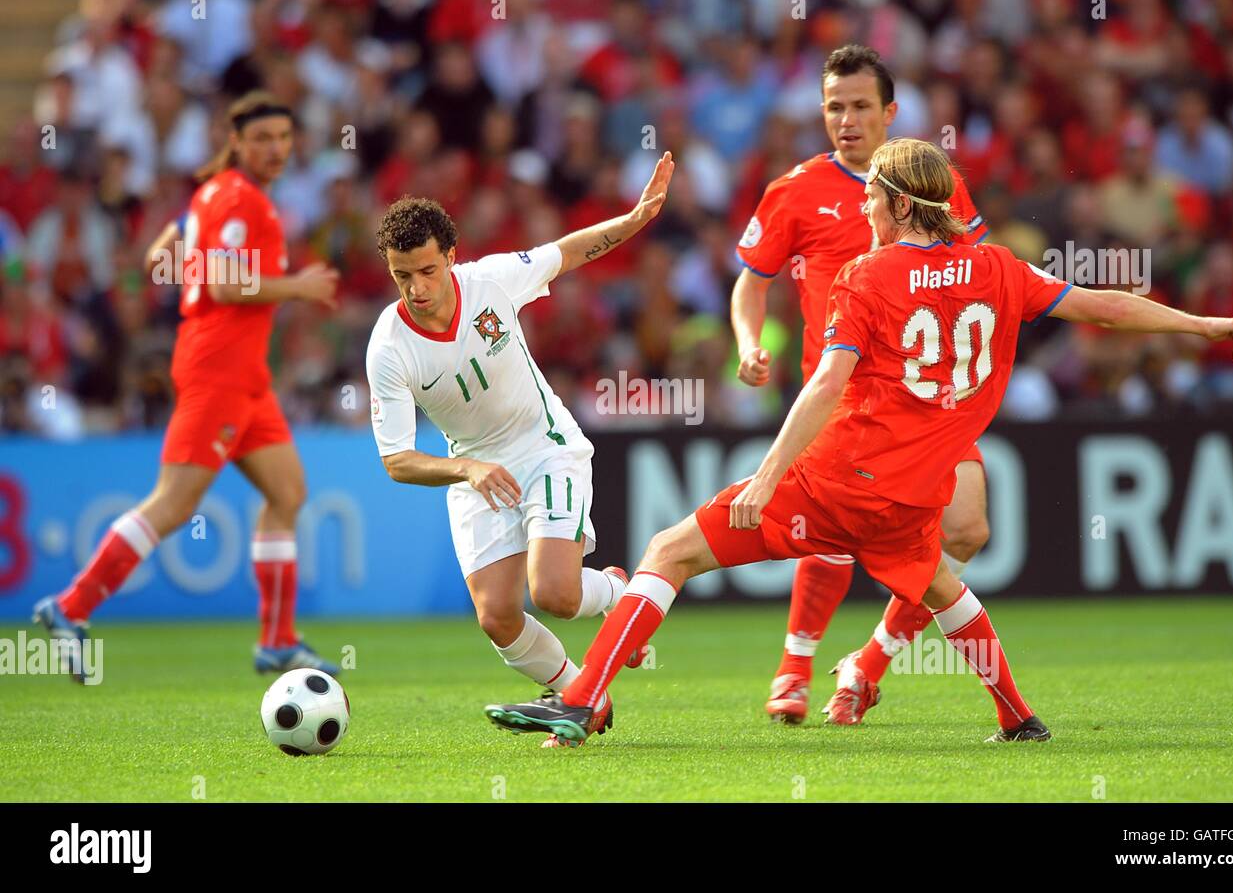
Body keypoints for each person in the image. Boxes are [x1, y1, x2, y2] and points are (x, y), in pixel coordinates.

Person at [484, 137, 1233, 746]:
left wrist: (768, 472)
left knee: (670, 550)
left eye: (870, 198)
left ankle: (582, 699)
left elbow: (825, 385)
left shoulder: (868, 274)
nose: (862, 210)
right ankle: (1018, 716)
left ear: (896, 203)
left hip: (837, 476)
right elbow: (1102, 309)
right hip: (916, 490)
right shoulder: (998, 268)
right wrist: (1198, 322)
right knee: (940, 588)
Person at [366, 153, 675, 748]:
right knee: (497, 617)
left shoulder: (492, 281)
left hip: (543, 445)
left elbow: (569, 251)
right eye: (403, 275)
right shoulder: (388, 346)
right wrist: (467, 467)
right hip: (474, 466)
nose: (417, 287)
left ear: (451, 256)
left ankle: (613, 591)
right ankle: (584, 696)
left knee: (556, 593)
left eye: (427, 270)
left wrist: (635, 218)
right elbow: (396, 460)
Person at [33, 92, 343, 680]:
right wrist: (294, 287)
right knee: (175, 502)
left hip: (247, 375)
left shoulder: (212, 197)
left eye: (283, 137)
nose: (276, 148)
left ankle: (277, 640)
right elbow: (225, 287)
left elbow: (158, 259)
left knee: (287, 492)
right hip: (218, 369)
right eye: (262, 139)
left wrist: (197, 267)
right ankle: (70, 607)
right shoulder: (239, 199)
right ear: (236, 143)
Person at [732, 44, 990, 724]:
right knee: (830, 533)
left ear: (890, 112)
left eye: (859, 107)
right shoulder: (795, 189)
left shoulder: (932, 180)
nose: (846, 120)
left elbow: (976, 268)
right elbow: (750, 283)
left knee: (965, 529)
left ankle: (869, 660)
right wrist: (749, 341)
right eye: (833, 107)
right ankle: (795, 665)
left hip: (926, 396)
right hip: (841, 393)